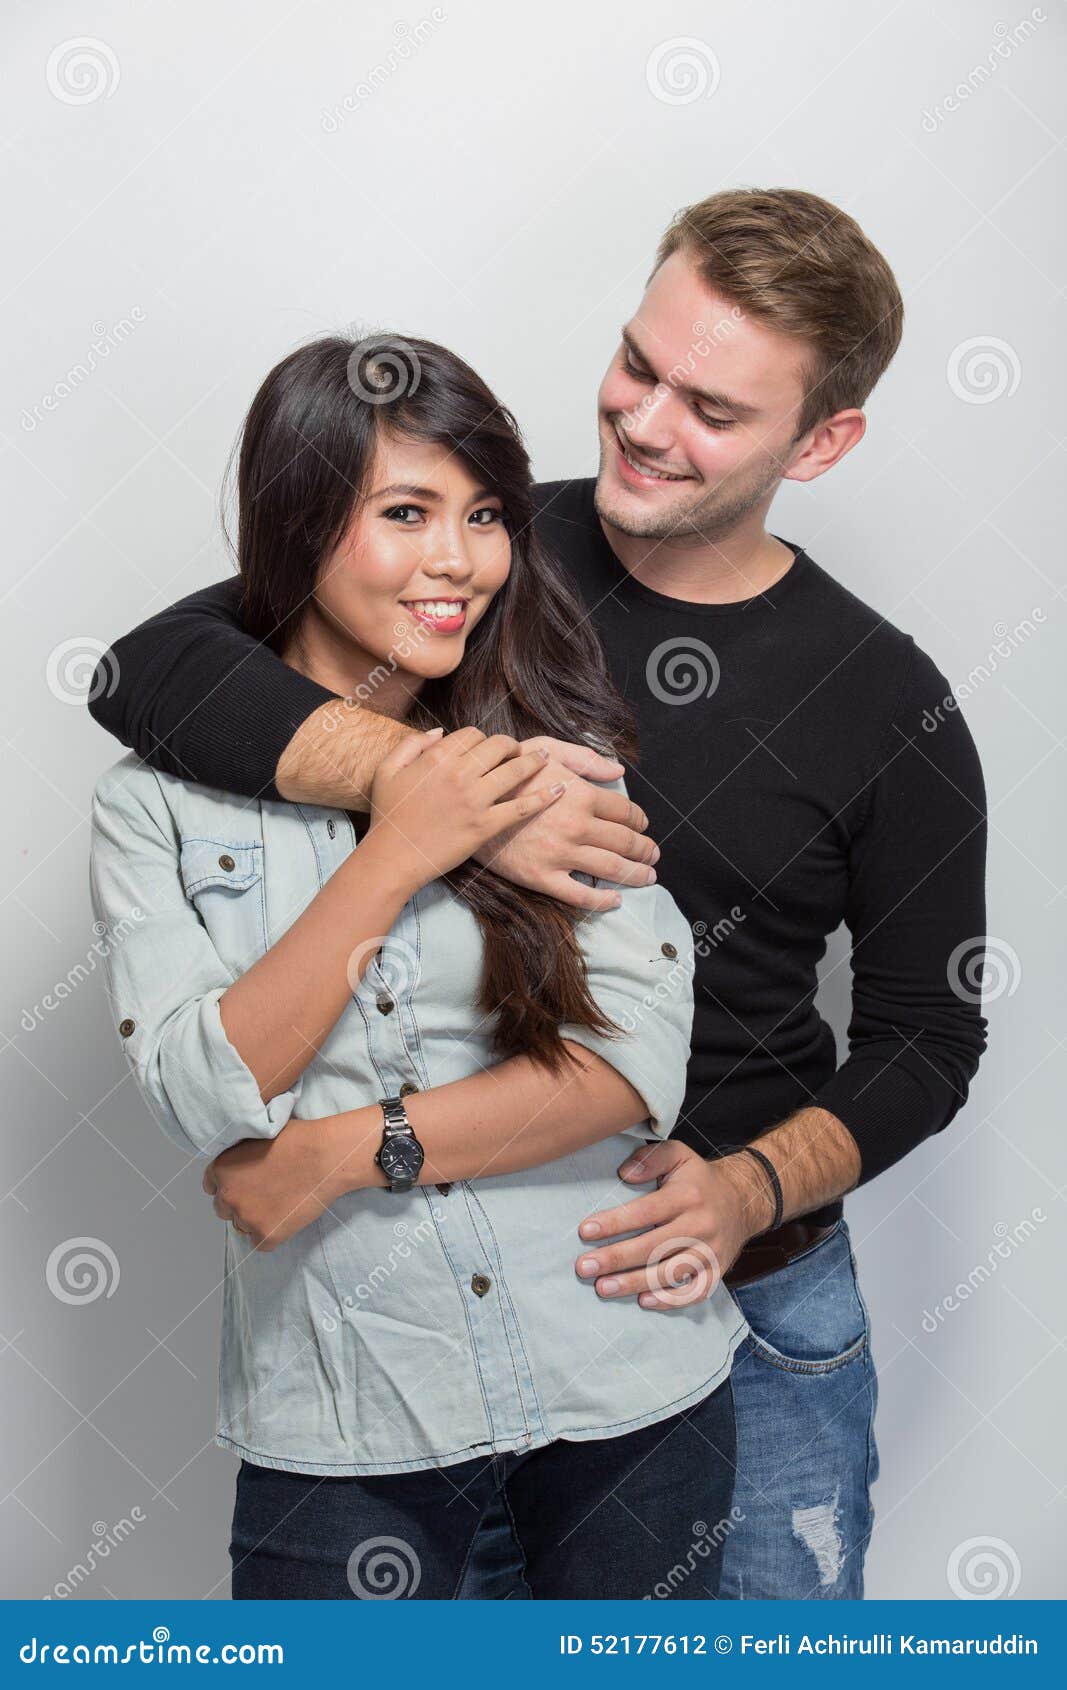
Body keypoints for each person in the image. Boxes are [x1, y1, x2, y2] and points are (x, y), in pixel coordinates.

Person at [88, 188, 988, 1600]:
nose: (641, 421)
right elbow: (142, 675)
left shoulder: (883, 699)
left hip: (744, 1299)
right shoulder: (473, 564)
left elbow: (931, 1039)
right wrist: (435, 790)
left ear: (819, 442)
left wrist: (742, 1189)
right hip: (437, 1298)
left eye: (711, 408)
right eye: (638, 364)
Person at [88, 335, 745, 1601]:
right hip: (343, 1415)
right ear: (297, 524)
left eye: (485, 515)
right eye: (405, 513)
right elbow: (203, 1091)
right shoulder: (151, 806)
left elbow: (631, 1060)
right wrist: (401, 846)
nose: (459, 560)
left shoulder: (546, 759)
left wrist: (345, 1150)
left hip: (622, 1378)